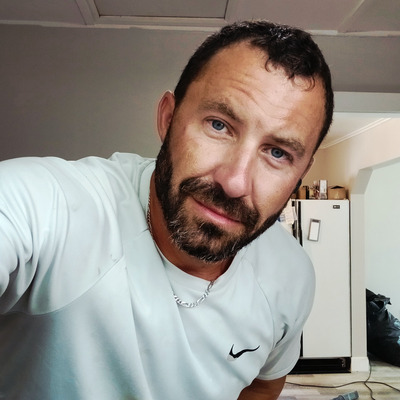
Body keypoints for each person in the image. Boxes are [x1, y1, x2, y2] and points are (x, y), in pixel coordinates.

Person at [0, 20, 333, 400]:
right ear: (168, 119)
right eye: (219, 125)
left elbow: (264, 384)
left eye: (278, 153)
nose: (235, 182)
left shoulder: (290, 274)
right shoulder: (58, 208)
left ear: (301, 173)